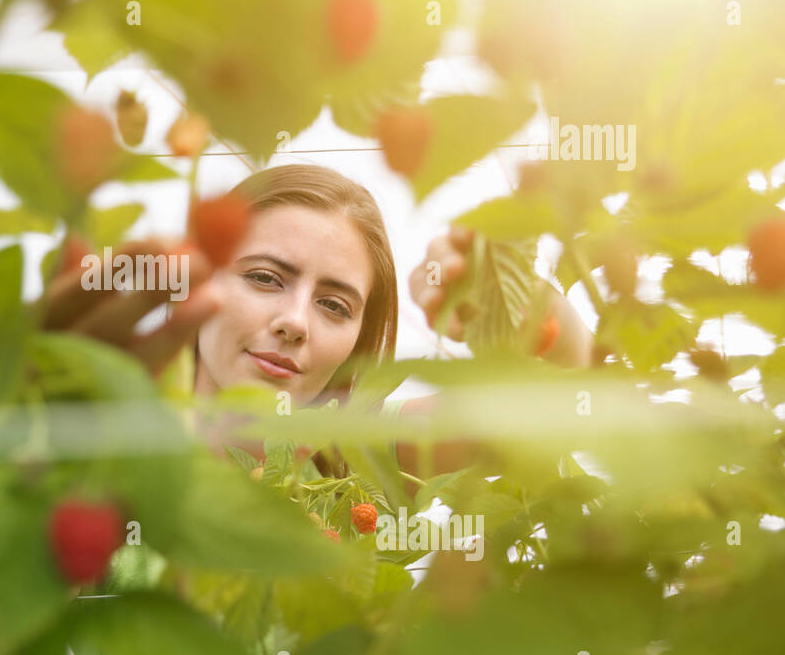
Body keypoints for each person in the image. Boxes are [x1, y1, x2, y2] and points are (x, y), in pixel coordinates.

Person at [41, 163, 593, 494]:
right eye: (264, 278)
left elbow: (564, 398)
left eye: (334, 306)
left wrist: (515, 295)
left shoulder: (361, 468)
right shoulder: (96, 448)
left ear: (359, 337)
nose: (295, 322)